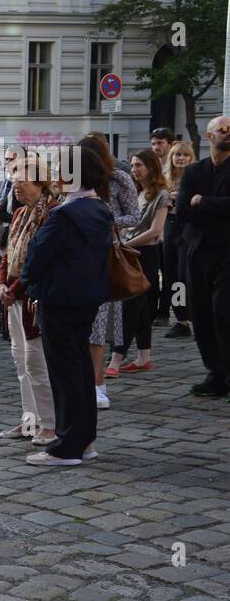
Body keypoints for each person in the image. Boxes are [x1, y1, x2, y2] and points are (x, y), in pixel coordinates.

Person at [21, 148, 113, 465]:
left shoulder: (65, 214)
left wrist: (31, 284)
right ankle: (84, 441)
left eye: (62, 169)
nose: (57, 174)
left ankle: (68, 445)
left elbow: (36, 255)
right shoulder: (100, 209)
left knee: (64, 373)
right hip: (86, 298)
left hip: (59, 299)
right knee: (82, 370)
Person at [0, 158, 57, 445]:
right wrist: (1, 284)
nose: (17, 185)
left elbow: (40, 260)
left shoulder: (52, 213)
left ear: (40, 183)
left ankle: (50, 424)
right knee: (20, 361)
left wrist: (16, 286)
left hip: (35, 296)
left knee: (37, 362)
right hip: (14, 297)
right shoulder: (20, 213)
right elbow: (8, 253)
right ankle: (29, 420)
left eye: (23, 180)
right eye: (14, 179)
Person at [78, 135, 139, 410]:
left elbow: (134, 217)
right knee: (78, 326)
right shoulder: (72, 181)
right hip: (76, 257)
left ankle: (98, 384)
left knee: (98, 329)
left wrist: (104, 220)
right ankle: (79, 382)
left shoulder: (118, 179)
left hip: (105, 257)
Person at [176, 114, 230, 398]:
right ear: (209, 136)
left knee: (223, 310)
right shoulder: (195, 171)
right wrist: (210, 206)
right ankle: (215, 373)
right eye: (223, 129)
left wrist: (204, 202)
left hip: (227, 252)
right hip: (197, 251)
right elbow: (183, 210)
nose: (228, 133)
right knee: (201, 313)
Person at [107, 149, 169, 375]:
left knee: (129, 306)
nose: (134, 170)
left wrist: (127, 244)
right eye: (132, 166)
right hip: (130, 252)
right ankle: (144, 357)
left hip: (146, 254)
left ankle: (115, 359)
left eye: (139, 165)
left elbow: (156, 231)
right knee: (140, 308)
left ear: (151, 167)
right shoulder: (136, 192)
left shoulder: (161, 194)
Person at [159, 141, 196, 337]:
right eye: (177, 155)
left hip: (187, 230)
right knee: (171, 276)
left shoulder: (196, 179)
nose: (181, 158)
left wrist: (182, 199)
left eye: (185, 155)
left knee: (183, 277)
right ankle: (181, 320)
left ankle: (190, 315)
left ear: (190, 158)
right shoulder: (165, 181)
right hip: (168, 228)